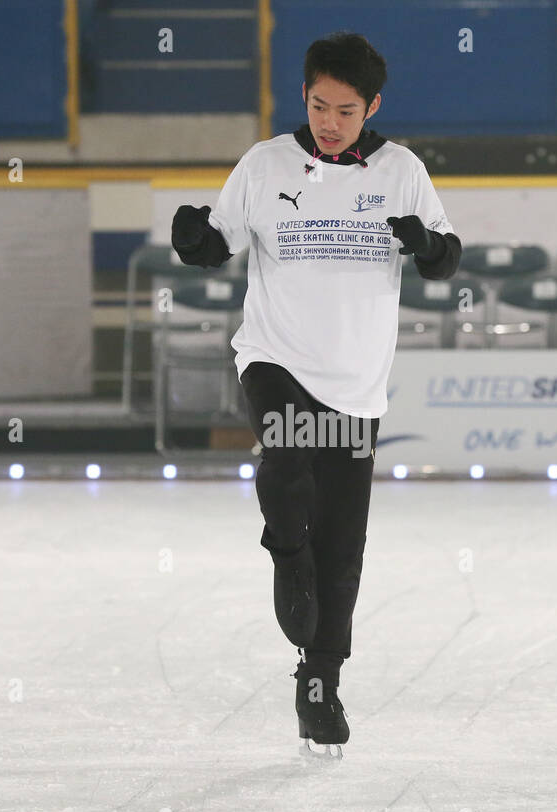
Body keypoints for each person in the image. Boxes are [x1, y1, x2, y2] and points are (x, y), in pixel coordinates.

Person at [170, 32, 461, 756]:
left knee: (345, 551)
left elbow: (445, 257)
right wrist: (194, 242)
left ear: (374, 107)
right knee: (285, 458)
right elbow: (220, 241)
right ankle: (285, 548)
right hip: (276, 358)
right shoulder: (266, 163)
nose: (330, 121)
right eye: (318, 105)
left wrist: (423, 244)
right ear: (303, 96)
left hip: (356, 388)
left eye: (346, 110)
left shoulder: (401, 170)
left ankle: (319, 684)